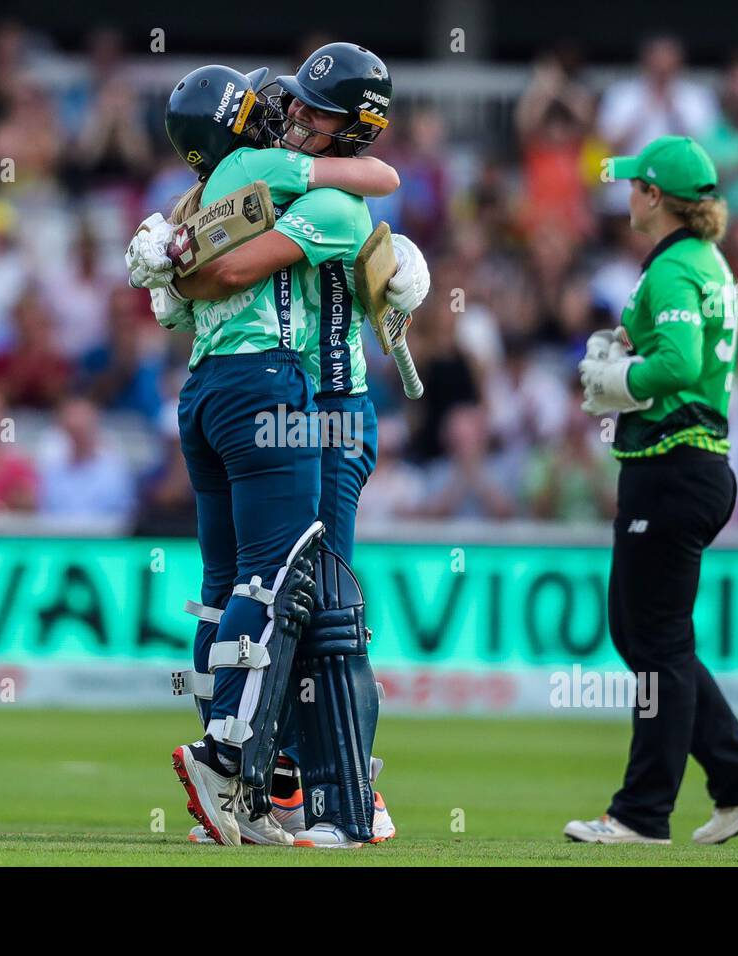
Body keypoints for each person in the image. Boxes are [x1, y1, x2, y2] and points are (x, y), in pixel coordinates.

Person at [129, 51, 427, 847]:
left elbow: (231, 270)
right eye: (291, 104)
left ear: (355, 125)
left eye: (315, 110)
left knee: (322, 609)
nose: (296, 116)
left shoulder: (327, 193)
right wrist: (180, 253)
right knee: (285, 598)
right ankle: (279, 785)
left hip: (330, 414)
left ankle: (348, 792)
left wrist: (174, 258)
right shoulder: (291, 180)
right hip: (293, 404)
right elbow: (218, 271)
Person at [565, 136, 738, 845]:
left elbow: (681, 360)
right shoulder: (704, 263)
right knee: (642, 634)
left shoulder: (675, 268)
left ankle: (640, 813)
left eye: (635, 184)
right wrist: (625, 353)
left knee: (655, 640)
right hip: (691, 467)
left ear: (656, 197)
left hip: (672, 467)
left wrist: (621, 381)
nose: (626, 193)